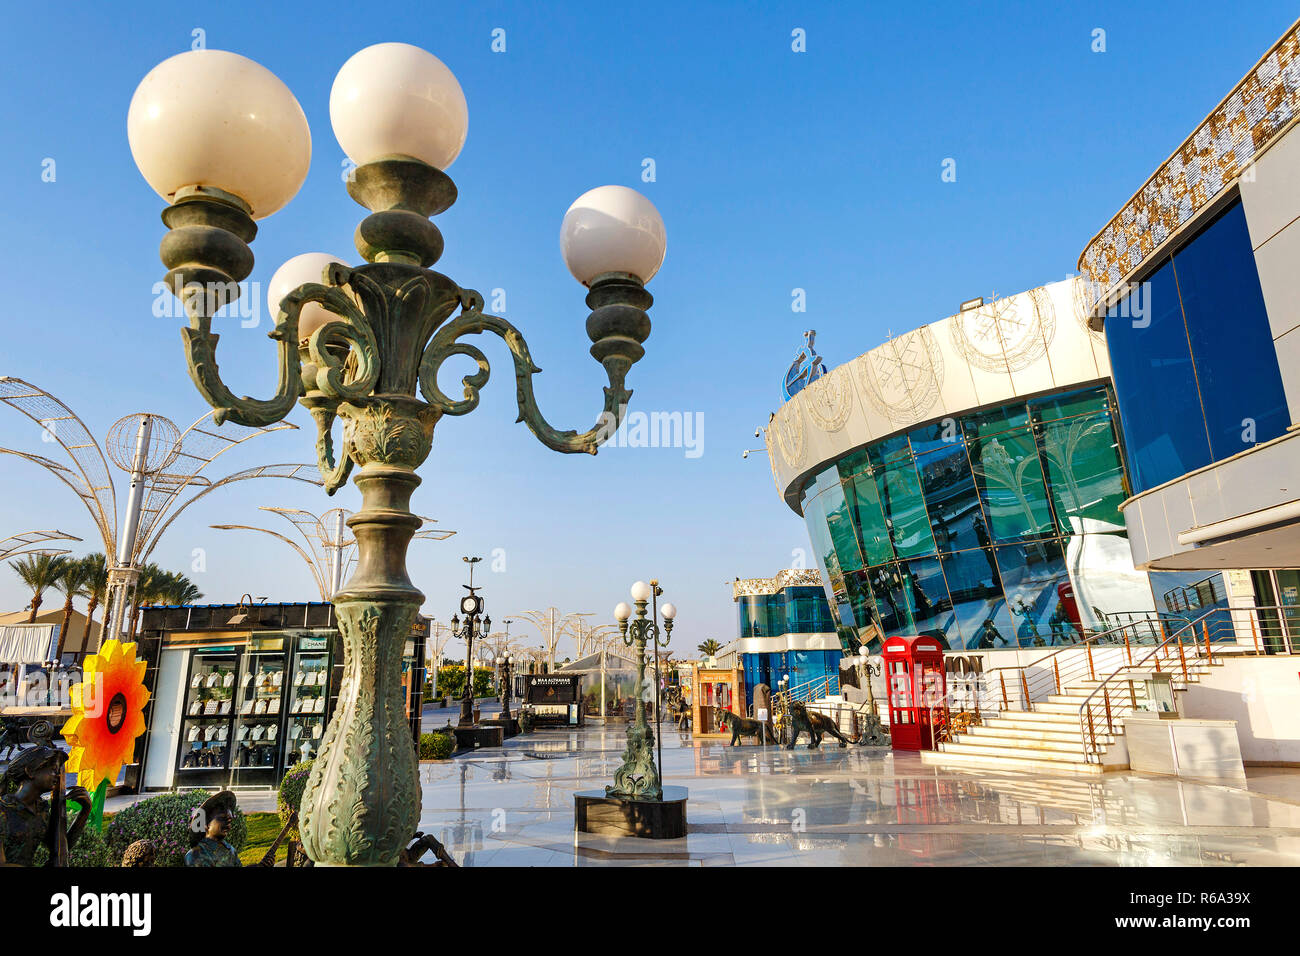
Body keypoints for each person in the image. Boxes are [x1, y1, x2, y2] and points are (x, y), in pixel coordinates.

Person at [0, 744, 91, 866]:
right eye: (54, 770)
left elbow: (60, 849)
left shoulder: (40, 811)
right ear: (31, 771)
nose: (58, 776)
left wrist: (85, 811)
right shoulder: (4, 810)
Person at [185, 790, 241, 867]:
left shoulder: (231, 851)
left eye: (229, 821)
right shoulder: (195, 855)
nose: (227, 824)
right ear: (206, 824)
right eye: (222, 819)